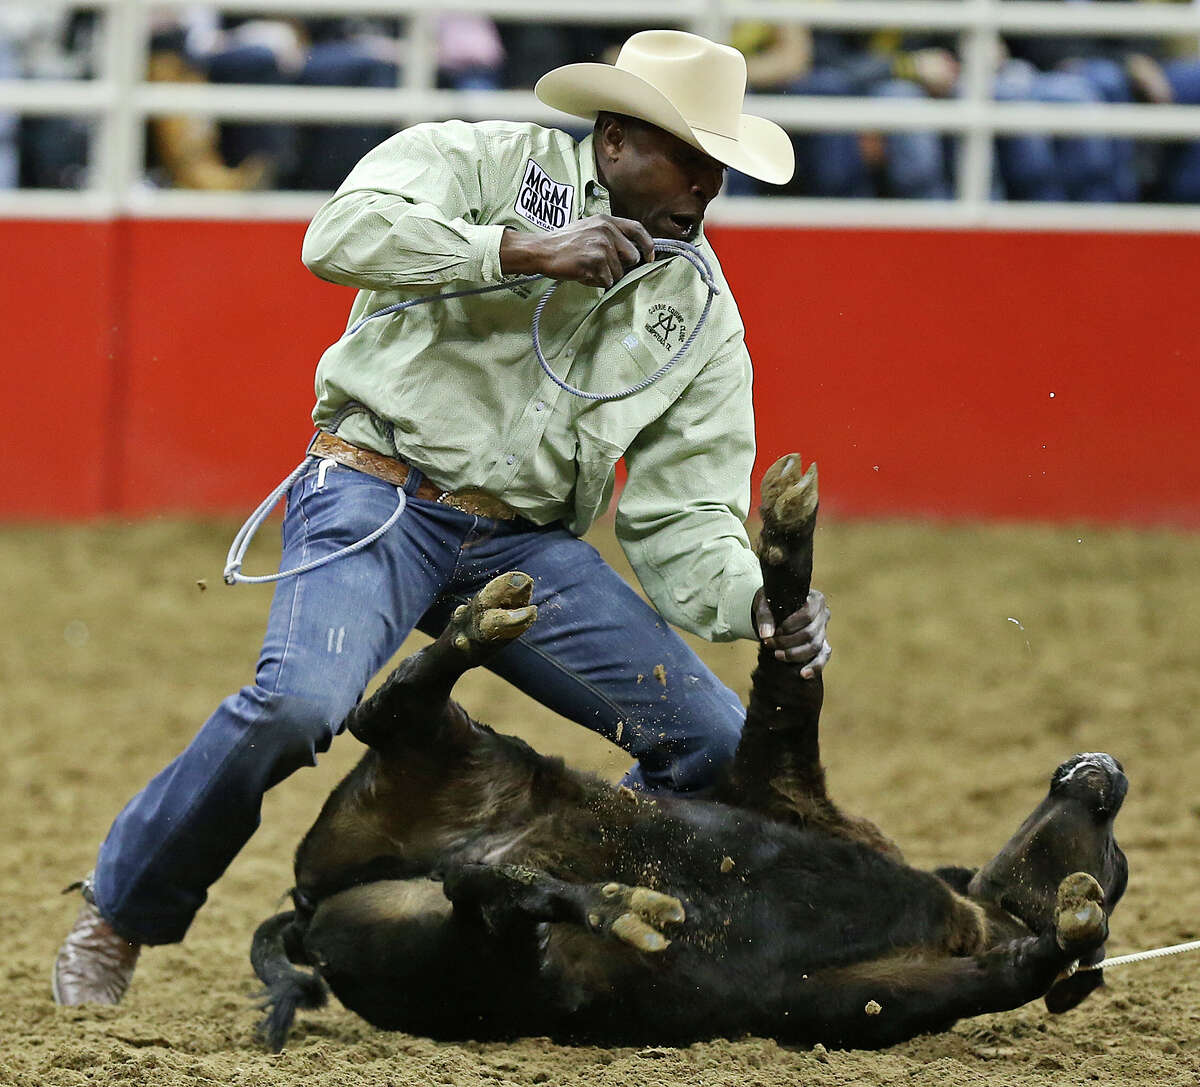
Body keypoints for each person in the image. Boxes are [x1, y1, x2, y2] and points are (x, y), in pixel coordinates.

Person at [52, 29, 832, 1005]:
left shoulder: (702, 314)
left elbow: (685, 513)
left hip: (522, 545)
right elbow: (339, 235)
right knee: (297, 705)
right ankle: (120, 911)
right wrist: (515, 248)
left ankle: (551, 912)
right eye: (689, 158)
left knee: (714, 743)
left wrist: (758, 599)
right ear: (619, 137)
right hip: (376, 490)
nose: (706, 188)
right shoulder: (482, 162)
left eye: (719, 167)